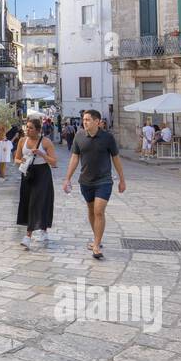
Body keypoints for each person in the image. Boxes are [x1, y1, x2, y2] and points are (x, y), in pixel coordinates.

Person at [63, 109, 126, 260]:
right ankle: (96, 238)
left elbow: (116, 159)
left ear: (97, 122)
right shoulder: (79, 136)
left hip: (104, 181)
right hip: (85, 181)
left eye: (88, 120)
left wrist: (122, 179)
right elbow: (74, 158)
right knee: (91, 211)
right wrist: (67, 178)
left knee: (99, 211)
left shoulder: (107, 138)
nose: (85, 122)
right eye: (84, 119)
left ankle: (96, 246)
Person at [15, 117, 57, 247]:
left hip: (42, 174)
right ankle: (43, 230)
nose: (27, 130)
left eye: (31, 128)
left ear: (38, 130)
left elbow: (54, 162)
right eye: (27, 127)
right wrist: (21, 161)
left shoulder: (46, 142)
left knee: (37, 202)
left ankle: (28, 236)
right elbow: (16, 159)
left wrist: (41, 154)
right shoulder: (22, 141)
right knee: (28, 202)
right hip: (28, 174)